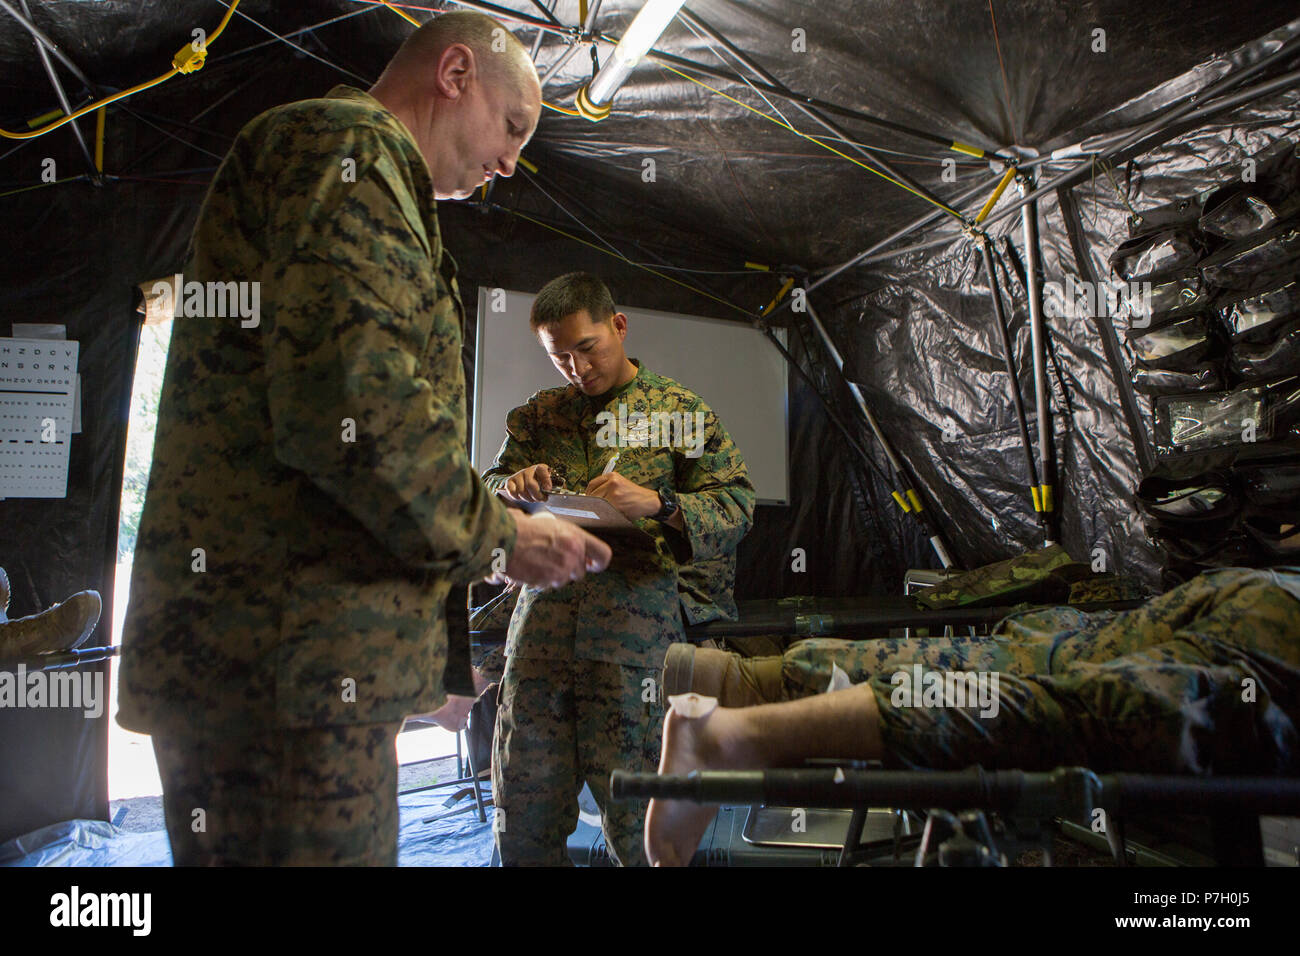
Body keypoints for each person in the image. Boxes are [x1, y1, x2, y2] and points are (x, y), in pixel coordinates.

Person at [116, 11, 611, 867]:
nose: (509, 162)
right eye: (512, 126)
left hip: (290, 668)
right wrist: (504, 538)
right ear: (455, 73)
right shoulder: (346, 150)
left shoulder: (362, 173)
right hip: (281, 672)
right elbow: (355, 410)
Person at [645, 565, 1300, 866]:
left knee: (1033, 661)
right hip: (1279, 648)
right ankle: (738, 737)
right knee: (1083, 709)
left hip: (1268, 594)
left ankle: (743, 682)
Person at [481, 272, 756, 865]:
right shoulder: (537, 418)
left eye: (587, 348)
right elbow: (483, 489)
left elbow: (737, 506)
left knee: (642, 823)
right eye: (560, 357)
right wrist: (509, 486)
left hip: (633, 649)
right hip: (541, 643)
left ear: (619, 326)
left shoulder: (679, 413)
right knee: (523, 816)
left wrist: (660, 504)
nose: (576, 368)